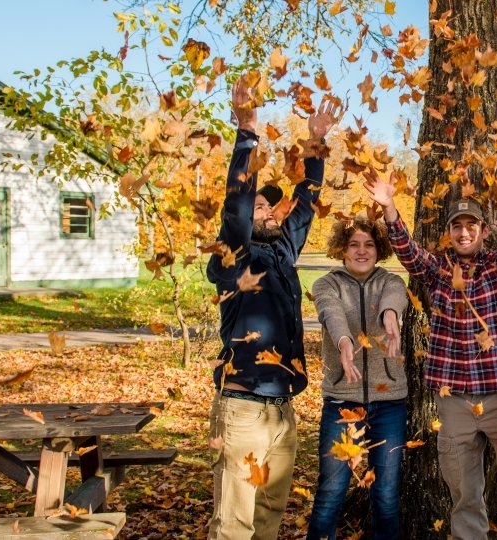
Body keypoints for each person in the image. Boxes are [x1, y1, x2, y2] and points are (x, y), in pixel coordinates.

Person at [366, 161, 497, 539]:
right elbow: (408, 252)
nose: (463, 233)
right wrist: (389, 208)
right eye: (457, 226)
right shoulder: (438, 270)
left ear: (483, 231)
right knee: (464, 493)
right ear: (448, 233)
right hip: (454, 401)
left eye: (471, 226)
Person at [205, 79, 342, 540]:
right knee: (234, 522)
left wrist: (316, 144)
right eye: (261, 207)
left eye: (270, 209)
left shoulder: (282, 253)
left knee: (270, 516)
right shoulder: (233, 257)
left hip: (282, 409)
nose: (267, 213)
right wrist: (248, 135)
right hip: (242, 406)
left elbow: (304, 205)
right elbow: (237, 210)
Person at [307, 215, 409, 539]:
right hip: (341, 403)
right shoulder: (327, 284)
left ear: (379, 249)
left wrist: (390, 316)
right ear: (342, 249)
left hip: (389, 403)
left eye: (368, 244)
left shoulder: (391, 282)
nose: (362, 251)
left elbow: (395, 301)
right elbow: (331, 313)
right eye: (354, 245)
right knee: (331, 493)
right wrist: (344, 342)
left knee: (386, 497)